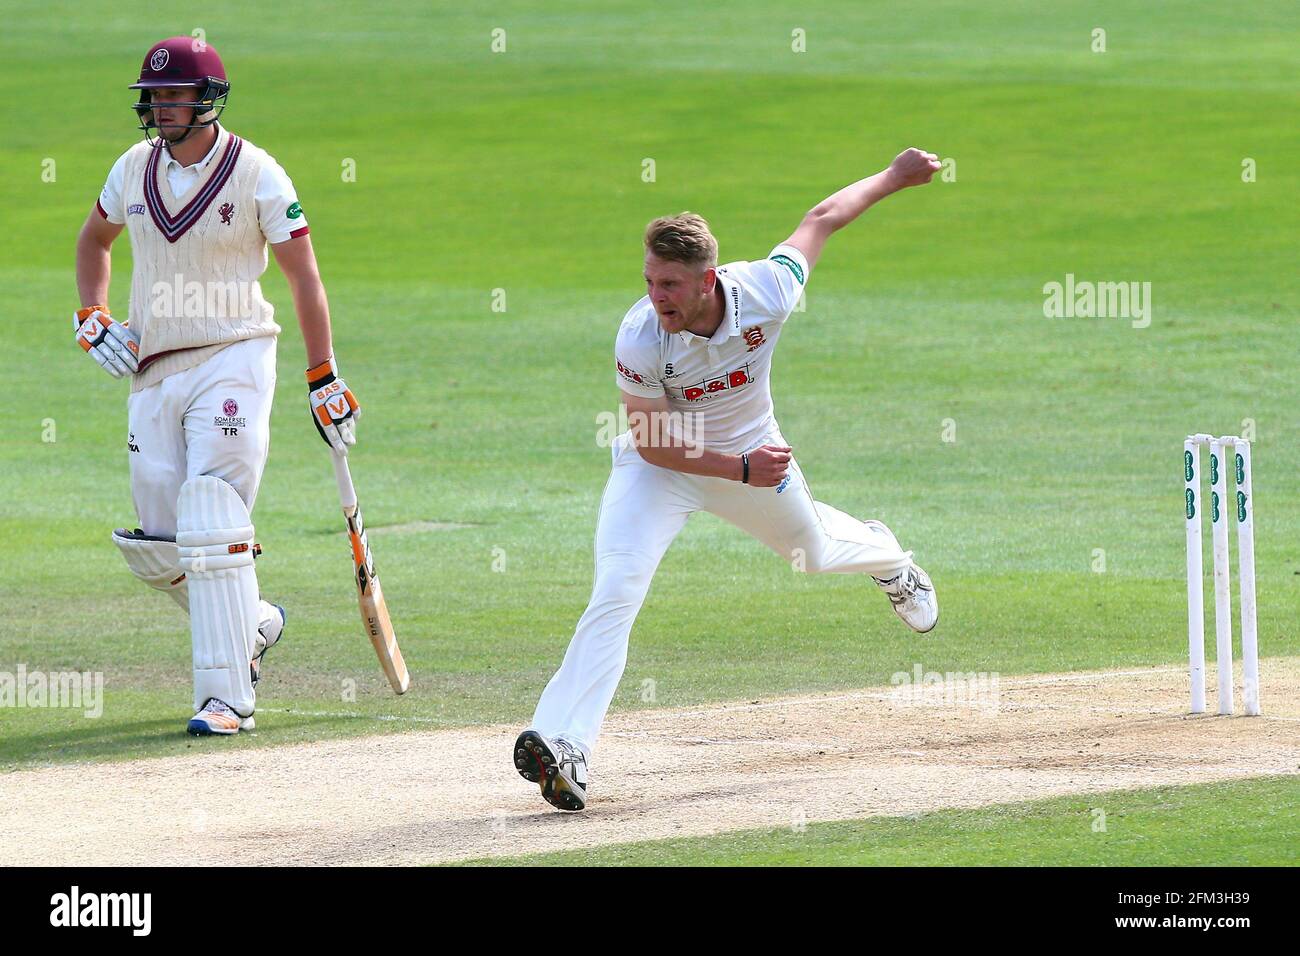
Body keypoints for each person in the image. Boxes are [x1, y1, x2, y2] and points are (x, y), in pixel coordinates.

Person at [514, 148, 944, 810]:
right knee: (617, 587)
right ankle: (566, 747)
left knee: (818, 555)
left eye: (671, 287)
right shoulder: (640, 336)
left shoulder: (768, 290)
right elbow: (654, 441)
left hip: (754, 458)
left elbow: (823, 217)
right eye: (651, 282)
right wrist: (738, 468)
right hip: (665, 471)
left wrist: (894, 177)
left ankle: (890, 558)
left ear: (708, 280)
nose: (657, 298)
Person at [74, 36, 360, 735]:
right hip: (153, 366)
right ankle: (253, 621)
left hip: (236, 354)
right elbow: (93, 243)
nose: (160, 106)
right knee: (158, 545)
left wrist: (321, 372)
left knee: (211, 512)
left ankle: (225, 700)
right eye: (153, 95)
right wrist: (91, 314)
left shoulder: (258, 173)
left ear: (207, 99)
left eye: (173, 95)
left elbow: (304, 278)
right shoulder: (131, 169)